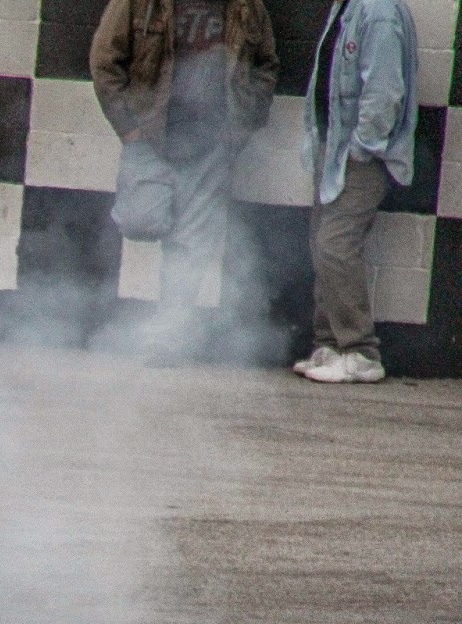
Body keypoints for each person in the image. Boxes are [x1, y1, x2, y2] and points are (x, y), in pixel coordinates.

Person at [92, 0, 279, 351]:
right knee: (139, 220)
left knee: (190, 247)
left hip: (211, 144)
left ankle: (169, 335)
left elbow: (266, 65)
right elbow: (105, 61)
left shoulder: (247, 5)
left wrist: (239, 131)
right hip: (150, 137)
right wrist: (129, 131)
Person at [294, 0, 417, 385]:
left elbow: (384, 90)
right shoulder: (347, 6)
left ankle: (360, 351)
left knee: (336, 245)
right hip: (336, 151)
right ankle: (329, 343)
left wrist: (363, 148)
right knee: (323, 244)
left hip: (358, 156)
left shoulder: (378, 10)